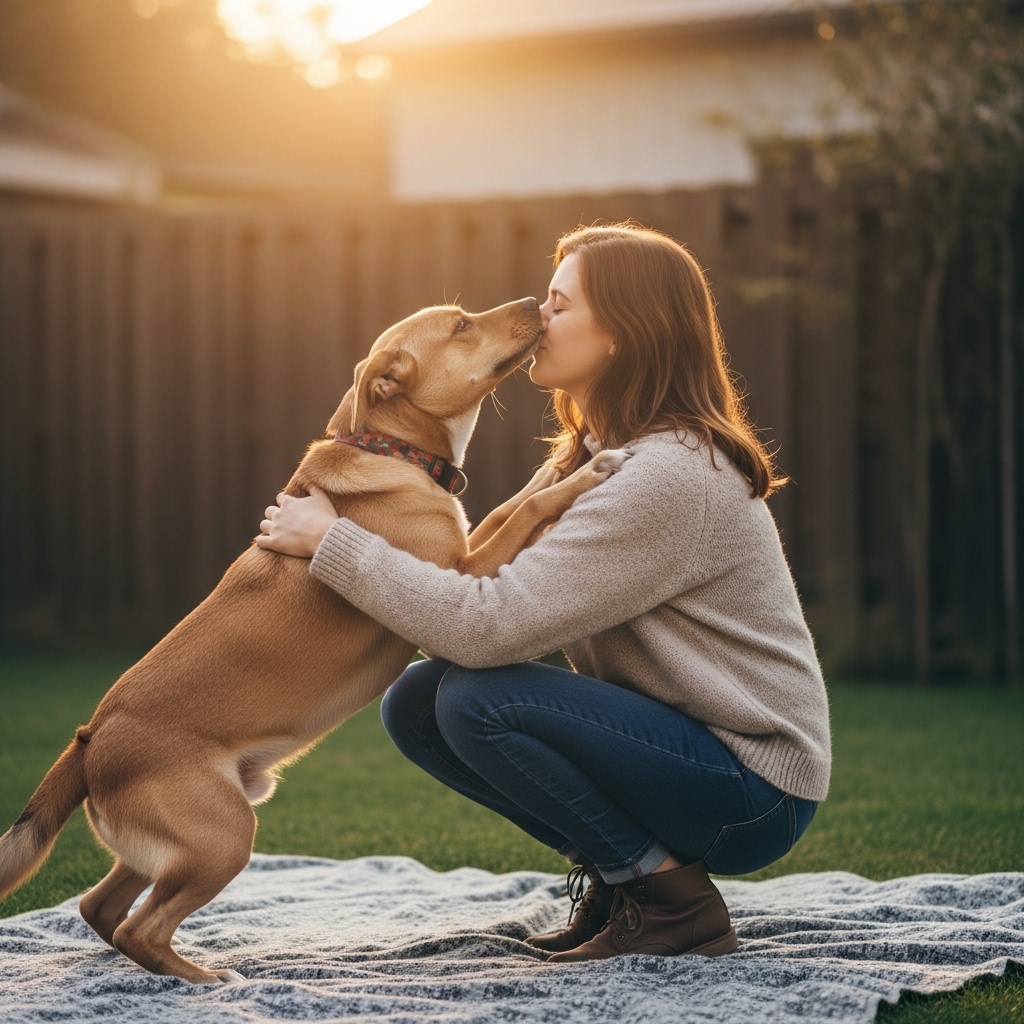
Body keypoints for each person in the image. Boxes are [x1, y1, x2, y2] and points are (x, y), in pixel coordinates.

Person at [256, 223, 831, 963]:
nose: (537, 316)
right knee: (420, 699)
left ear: (625, 332)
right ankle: (625, 881)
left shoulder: (666, 478)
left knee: (475, 699)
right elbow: (465, 607)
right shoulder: (590, 456)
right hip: (684, 749)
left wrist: (334, 544)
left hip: (751, 788)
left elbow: (483, 630)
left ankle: (672, 905)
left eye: (560, 305)